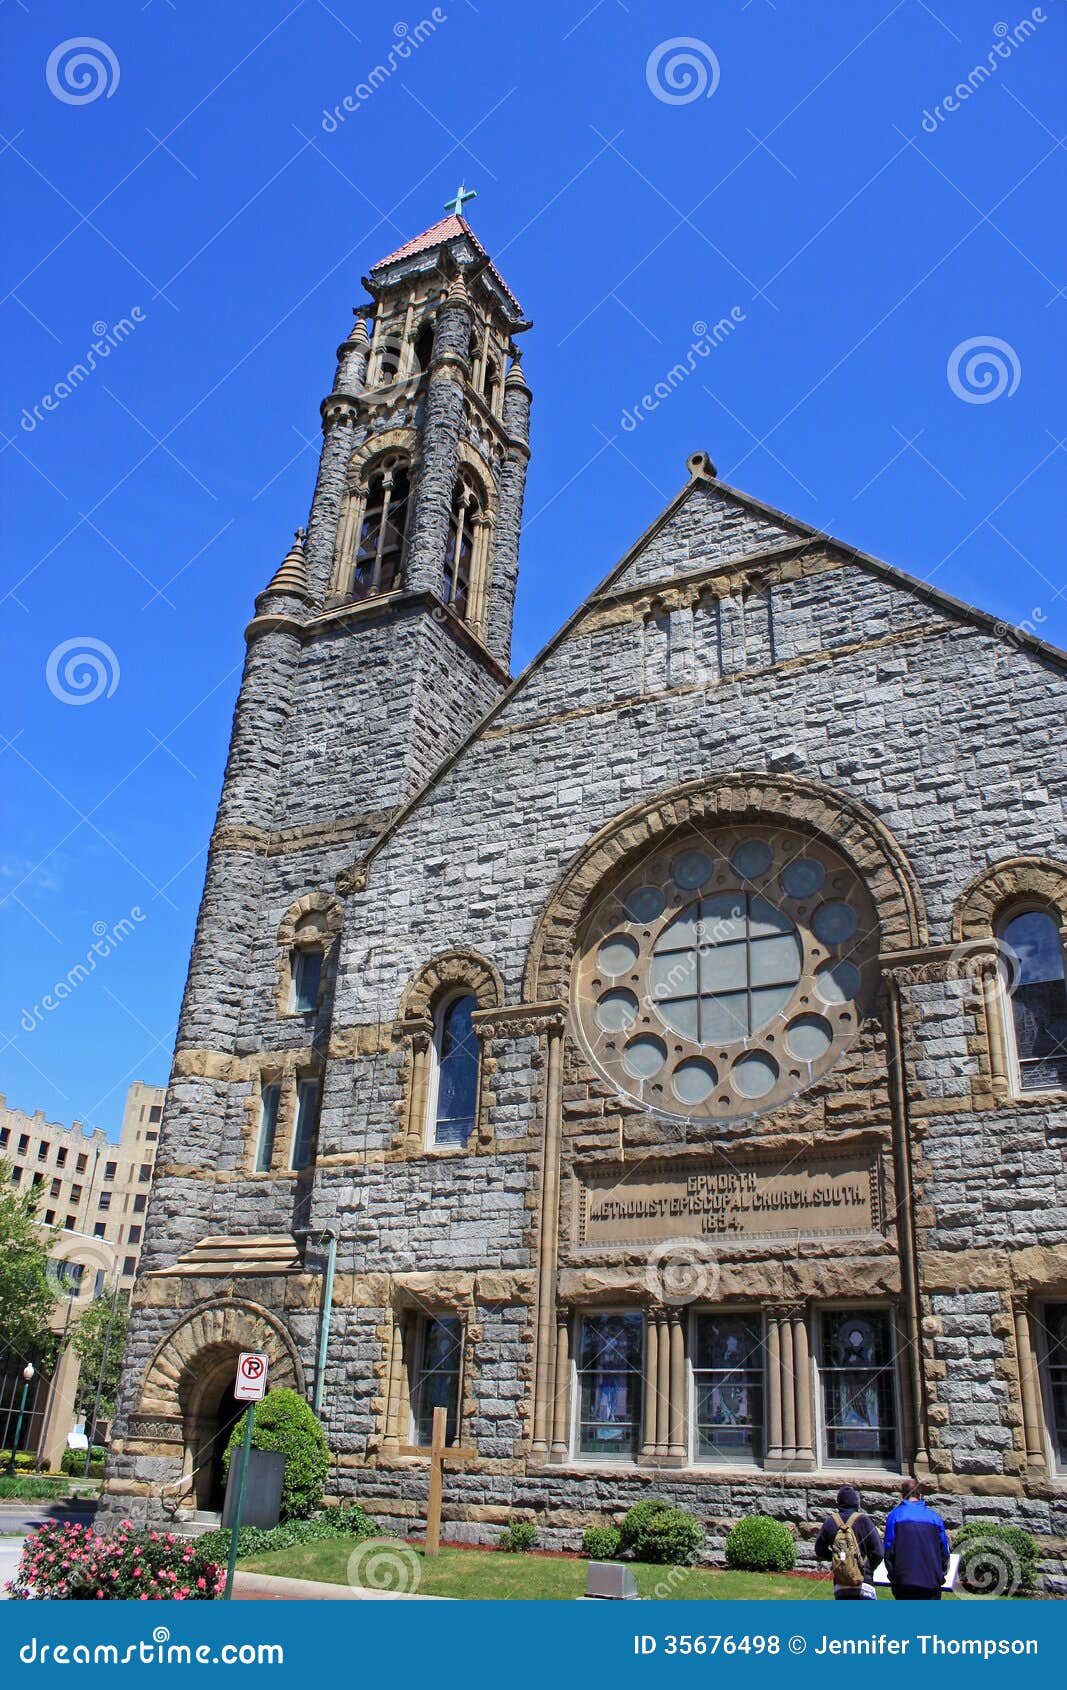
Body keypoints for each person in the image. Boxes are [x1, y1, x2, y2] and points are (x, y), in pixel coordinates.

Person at [884, 1479, 950, 1599]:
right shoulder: (934, 1518)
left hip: (904, 1581)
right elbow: (944, 1551)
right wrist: (940, 1575)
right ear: (920, 1495)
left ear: (902, 1495)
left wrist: (894, 1577)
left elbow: (889, 1551)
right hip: (931, 1581)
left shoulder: (895, 1516)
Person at [814, 1485, 883, 1600]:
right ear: (856, 1503)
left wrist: (837, 1560)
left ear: (838, 1503)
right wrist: (867, 1569)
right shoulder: (864, 1520)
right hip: (864, 1584)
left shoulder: (831, 1522)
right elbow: (879, 1552)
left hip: (841, 1585)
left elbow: (819, 1549)